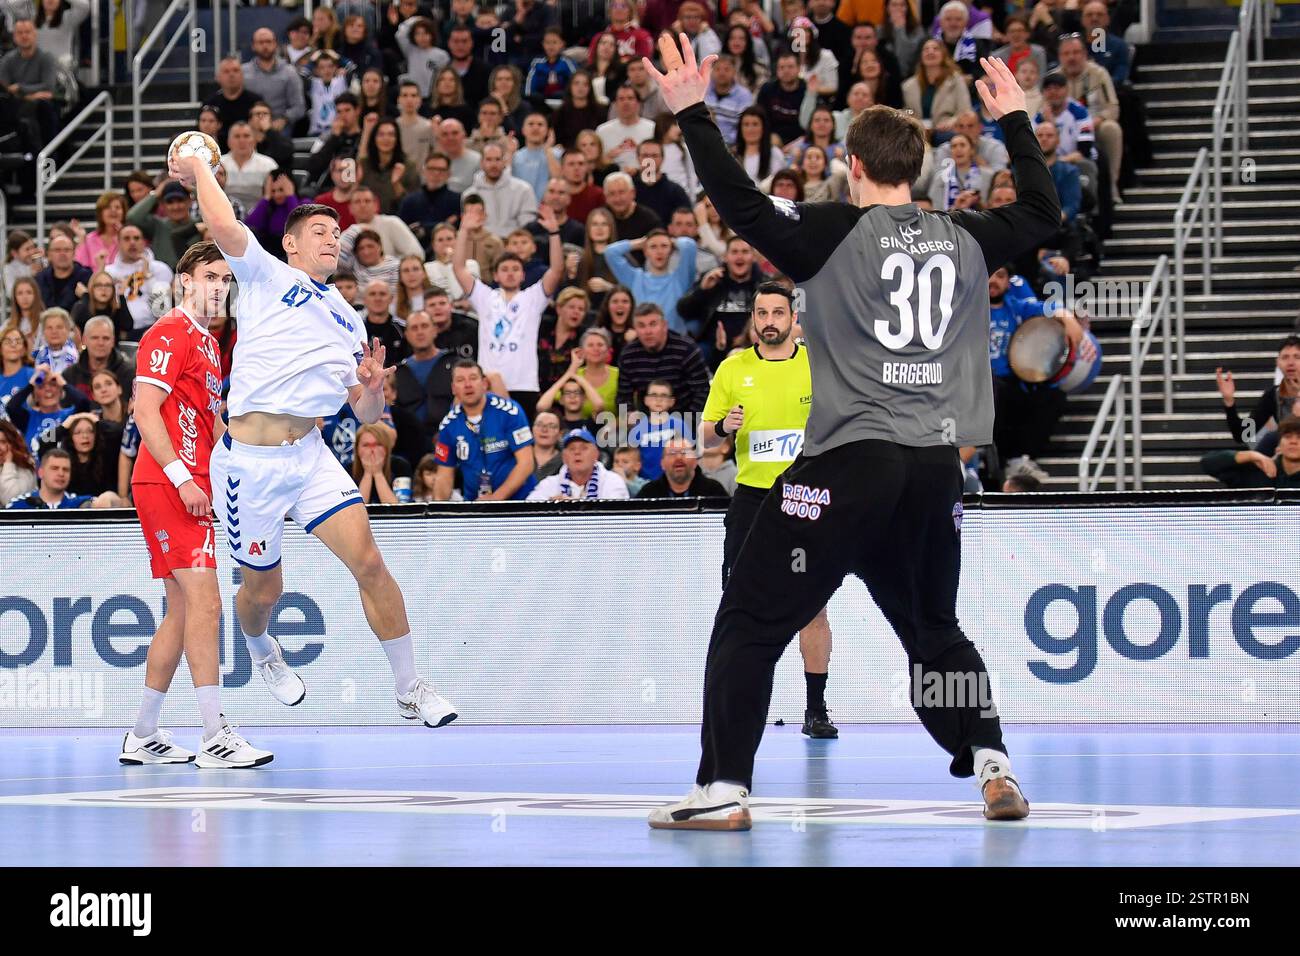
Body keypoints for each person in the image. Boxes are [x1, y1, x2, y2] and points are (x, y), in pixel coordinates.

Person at [642, 39, 1060, 829]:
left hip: (846, 467)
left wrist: (694, 114)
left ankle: (724, 789)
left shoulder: (834, 228)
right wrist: (1014, 123)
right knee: (935, 629)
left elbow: (741, 207)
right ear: (920, 170)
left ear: (852, 163)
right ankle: (993, 762)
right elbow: (1044, 211)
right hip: (936, 470)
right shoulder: (964, 236)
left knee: (750, 617)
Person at [170, 143, 459, 730]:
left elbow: (368, 411)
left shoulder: (350, 318)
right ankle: (259, 650)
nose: (332, 238)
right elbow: (222, 222)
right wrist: (199, 165)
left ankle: (410, 687)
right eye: (320, 230)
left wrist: (375, 387)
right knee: (263, 591)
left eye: (337, 232)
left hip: (310, 456)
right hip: (248, 464)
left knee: (370, 563)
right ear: (292, 244)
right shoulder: (266, 275)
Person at [117, 240, 271, 765]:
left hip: (192, 483)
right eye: (210, 276)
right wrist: (183, 477)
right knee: (205, 601)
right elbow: (146, 411)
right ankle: (214, 735)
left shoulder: (208, 343)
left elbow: (212, 425)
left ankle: (142, 733)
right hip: (169, 483)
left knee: (182, 612)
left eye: (226, 280)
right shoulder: (169, 331)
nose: (219, 287)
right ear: (185, 280)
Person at [702, 281, 837, 734]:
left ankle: (816, 710)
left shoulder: (818, 363)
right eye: (762, 314)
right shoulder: (732, 368)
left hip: (807, 497)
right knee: (738, 604)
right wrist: (723, 425)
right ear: (754, 320)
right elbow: (704, 439)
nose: (769, 322)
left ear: (794, 318)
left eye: (778, 313)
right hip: (753, 498)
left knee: (813, 607)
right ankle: (733, 707)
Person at [452, 200, 564, 415]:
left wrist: (554, 233)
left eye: (515, 269)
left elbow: (557, 270)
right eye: (504, 269)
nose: (510, 272)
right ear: (495, 275)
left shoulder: (533, 298)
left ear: (523, 275)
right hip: (487, 384)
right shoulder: (485, 297)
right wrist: (464, 230)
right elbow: (458, 268)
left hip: (524, 384)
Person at [433, 359, 537, 501]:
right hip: (475, 505)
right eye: (460, 380)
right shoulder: (447, 425)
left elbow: (526, 463)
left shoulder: (510, 412)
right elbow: (444, 474)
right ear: (453, 388)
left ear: (484, 384)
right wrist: (436, 512)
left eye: (473, 378)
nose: (468, 385)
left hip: (519, 502)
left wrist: (495, 499)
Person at [614, 302, 711, 413]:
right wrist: (632, 420)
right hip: (646, 422)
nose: (648, 331)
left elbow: (702, 392)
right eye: (641, 326)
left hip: (685, 418)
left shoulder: (687, 350)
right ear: (635, 329)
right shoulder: (628, 355)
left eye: (653, 324)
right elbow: (623, 398)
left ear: (664, 325)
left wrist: (685, 425)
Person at [104, 224, 174, 340]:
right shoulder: (109, 272)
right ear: (118, 243)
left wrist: (148, 277)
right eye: (126, 238)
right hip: (118, 332)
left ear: (144, 242)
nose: (132, 242)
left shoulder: (160, 269)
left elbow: (163, 309)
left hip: (153, 330)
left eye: (136, 238)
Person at [527, 427, 629, 500]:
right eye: (572, 449)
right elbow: (529, 513)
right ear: (564, 457)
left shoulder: (613, 481)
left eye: (583, 448)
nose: (577, 452)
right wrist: (550, 507)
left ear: (596, 454)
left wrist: (573, 507)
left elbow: (615, 518)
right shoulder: (549, 484)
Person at [6, 447, 120, 508]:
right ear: (40, 472)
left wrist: (108, 497)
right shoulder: (19, 505)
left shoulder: (77, 503)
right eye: (54, 468)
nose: (61, 473)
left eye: (66, 469)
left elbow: (118, 503)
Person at [1202, 417, 1300, 488]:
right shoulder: (1257, 471)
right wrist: (1250, 455)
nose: (1293, 441)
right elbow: (1208, 464)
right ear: (1279, 443)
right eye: (1287, 436)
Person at [126, 180, 202, 271]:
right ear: (162, 205)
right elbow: (132, 217)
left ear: (189, 201)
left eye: (180, 200)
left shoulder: (200, 224)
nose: (176, 207)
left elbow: (217, 211)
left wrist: (192, 189)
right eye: (170, 202)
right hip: (162, 281)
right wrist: (156, 193)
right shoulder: (157, 225)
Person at [242, 26, 307, 132]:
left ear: (275, 44)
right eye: (260, 42)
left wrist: (284, 119)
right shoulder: (243, 72)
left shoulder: (289, 72)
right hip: (250, 127)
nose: (265, 46)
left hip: (279, 126)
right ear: (253, 46)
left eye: (268, 41)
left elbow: (299, 107)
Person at [63, 314, 134, 395]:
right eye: (95, 338)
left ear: (113, 341)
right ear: (84, 340)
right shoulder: (70, 374)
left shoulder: (128, 373)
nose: (100, 343)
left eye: (106, 338)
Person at [635, 436, 728, 498]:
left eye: (684, 452)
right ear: (662, 463)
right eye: (672, 453)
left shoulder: (713, 491)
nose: (678, 457)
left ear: (695, 461)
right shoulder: (648, 494)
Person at [202, 56, 260, 151]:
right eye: (226, 71)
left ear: (242, 75)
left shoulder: (255, 102)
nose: (231, 74)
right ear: (218, 77)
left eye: (235, 70)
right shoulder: (210, 103)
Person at [35, 231, 92, 313]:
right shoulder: (39, 280)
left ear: (74, 253)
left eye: (67, 250)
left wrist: (85, 296)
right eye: (57, 250)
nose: (62, 254)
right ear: (49, 254)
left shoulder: (87, 277)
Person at [352, 422, 410, 503]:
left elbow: (398, 509)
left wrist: (378, 473)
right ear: (357, 449)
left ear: (386, 448)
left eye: (378, 444)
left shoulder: (400, 466)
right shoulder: (347, 470)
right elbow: (355, 510)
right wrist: (367, 474)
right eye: (366, 445)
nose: (372, 450)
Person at [0, 418, 37, 506]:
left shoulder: (25, 468)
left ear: (13, 444)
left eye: (3, 442)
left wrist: (9, 464)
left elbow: (11, 500)